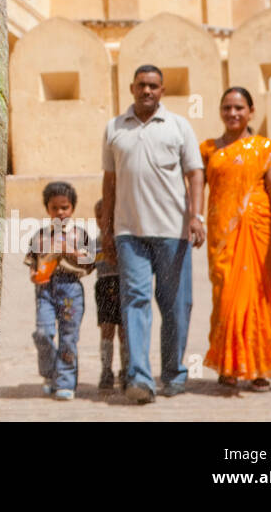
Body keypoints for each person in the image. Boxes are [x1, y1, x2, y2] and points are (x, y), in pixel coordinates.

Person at [99, 65, 204, 404]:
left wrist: (196, 217)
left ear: (162, 90)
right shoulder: (114, 128)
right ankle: (140, 378)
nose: (147, 91)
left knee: (175, 306)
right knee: (136, 302)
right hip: (130, 233)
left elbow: (195, 174)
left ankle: (173, 373)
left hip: (173, 232)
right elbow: (109, 181)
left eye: (154, 86)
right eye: (142, 85)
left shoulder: (178, 126)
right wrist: (107, 230)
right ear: (132, 88)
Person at [200, 87, 271, 392]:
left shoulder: (264, 148)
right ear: (220, 110)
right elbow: (193, 188)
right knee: (226, 297)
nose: (232, 113)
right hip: (222, 234)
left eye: (239, 108)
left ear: (251, 111)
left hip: (260, 231)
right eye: (227, 107)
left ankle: (260, 368)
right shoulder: (208, 149)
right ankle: (229, 366)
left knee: (260, 295)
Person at [26, 182, 94, 400]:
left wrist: (70, 251)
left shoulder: (80, 235)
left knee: (68, 337)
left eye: (64, 207)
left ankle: (65, 381)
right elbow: (32, 262)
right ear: (48, 209)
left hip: (70, 290)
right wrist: (34, 274)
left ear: (72, 208)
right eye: (55, 208)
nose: (60, 213)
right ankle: (50, 372)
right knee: (43, 333)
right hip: (45, 290)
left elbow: (89, 263)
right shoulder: (40, 236)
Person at [92, 198, 126, 392]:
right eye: (99, 216)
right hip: (104, 287)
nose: (103, 220)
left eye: (108, 216)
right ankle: (106, 371)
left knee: (123, 332)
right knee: (106, 331)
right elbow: (87, 266)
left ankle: (125, 369)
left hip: (122, 286)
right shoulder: (95, 242)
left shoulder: (123, 240)